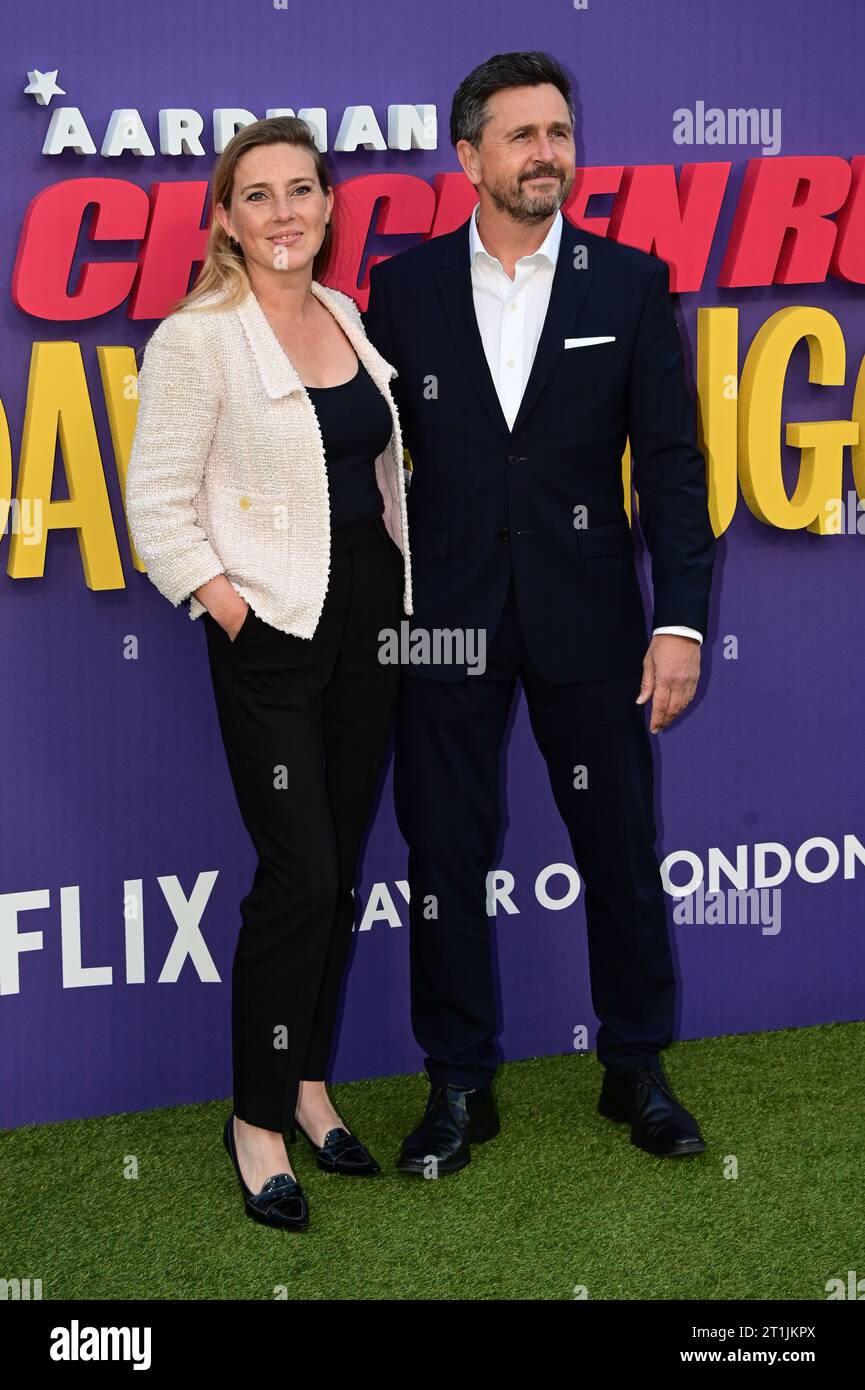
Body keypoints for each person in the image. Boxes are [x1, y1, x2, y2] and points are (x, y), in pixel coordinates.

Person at [362, 51, 716, 1176]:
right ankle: (458, 1084)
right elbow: (362, 464)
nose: (545, 154)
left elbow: (669, 465)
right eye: (520, 135)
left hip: (592, 613)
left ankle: (635, 1068)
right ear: (467, 156)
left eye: (557, 132)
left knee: (615, 843)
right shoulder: (400, 291)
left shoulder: (628, 282)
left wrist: (681, 621)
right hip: (441, 618)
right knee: (443, 850)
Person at [125, 116, 412, 1229]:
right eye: (259, 195)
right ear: (226, 219)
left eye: (302, 190)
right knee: (296, 873)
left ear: (328, 206)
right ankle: (254, 1118)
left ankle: (303, 1082)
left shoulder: (344, 315)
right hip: (272, 635)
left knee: (336, 871)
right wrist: (233, 609)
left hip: (370, 627)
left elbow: (383, 469)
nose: (284, 211)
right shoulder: (199, 335)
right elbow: (156, 507)